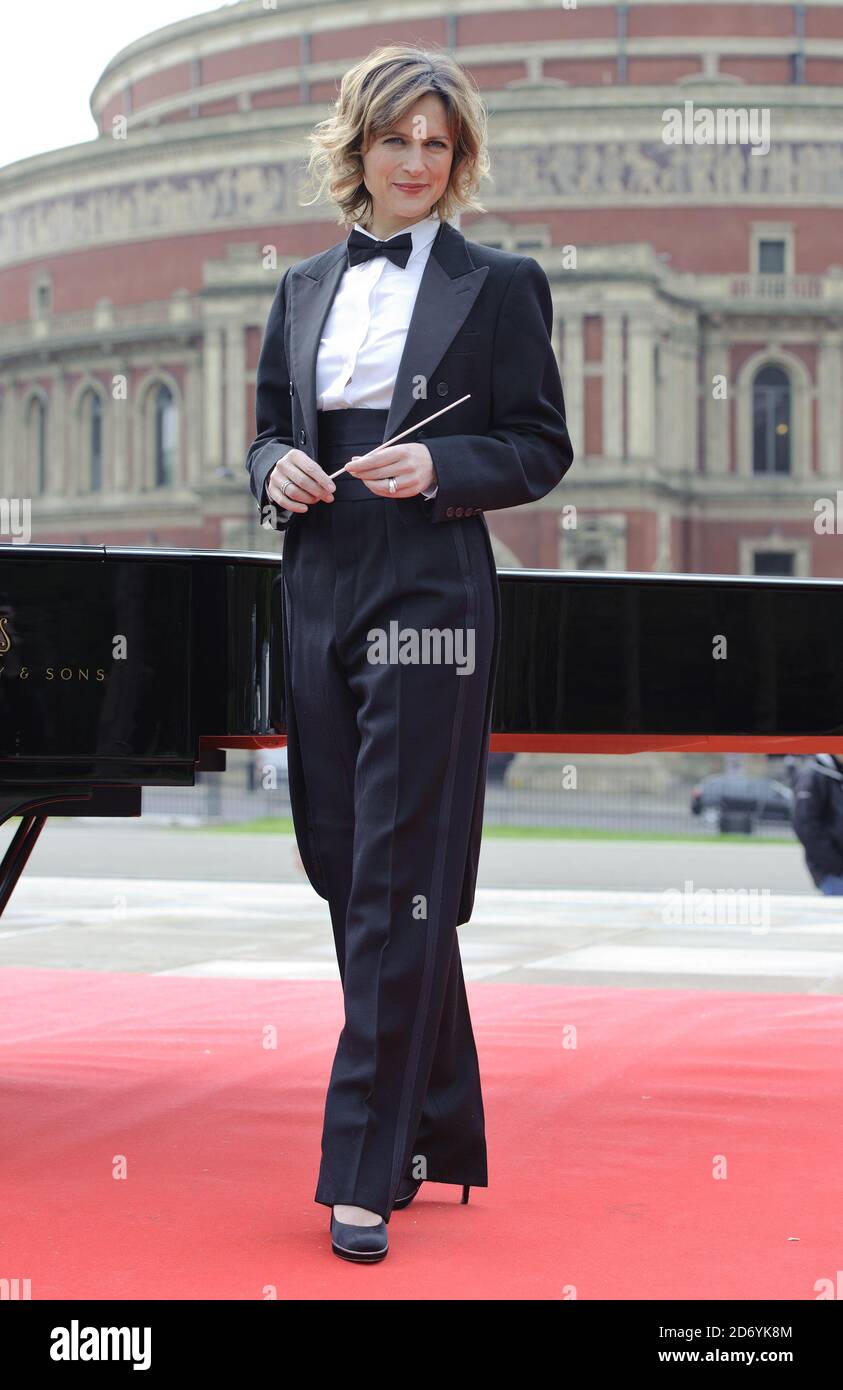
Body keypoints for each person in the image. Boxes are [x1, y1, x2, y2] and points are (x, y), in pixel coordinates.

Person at [245, 43, 574, 1262]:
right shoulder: (297, 288)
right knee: (344, 862)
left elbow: (540, 445)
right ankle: (437, 1121)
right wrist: (270, 468)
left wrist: (444, 464)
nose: (419, 163)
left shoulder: (501, 286)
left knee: (393, 875)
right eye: (399, 140)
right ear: (359, 148)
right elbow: (271, 430)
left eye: (439, 144)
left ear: (458, 157)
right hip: (319, 577)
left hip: (432, 582)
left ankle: (363, 1169)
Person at [792, 753, 843, 894]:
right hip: (835, 873)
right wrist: (836, 865)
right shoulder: (813, 775)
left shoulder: (835, 773)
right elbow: (806, 826)